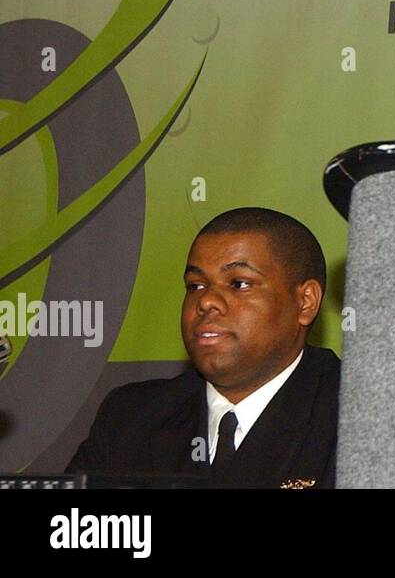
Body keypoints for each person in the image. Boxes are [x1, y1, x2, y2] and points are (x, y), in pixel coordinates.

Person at [67, 207, 339, 488]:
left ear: (305, 302)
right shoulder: (131, 417)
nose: (207, 301)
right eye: (195, 285)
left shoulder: (356, 415)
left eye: (239, 284)